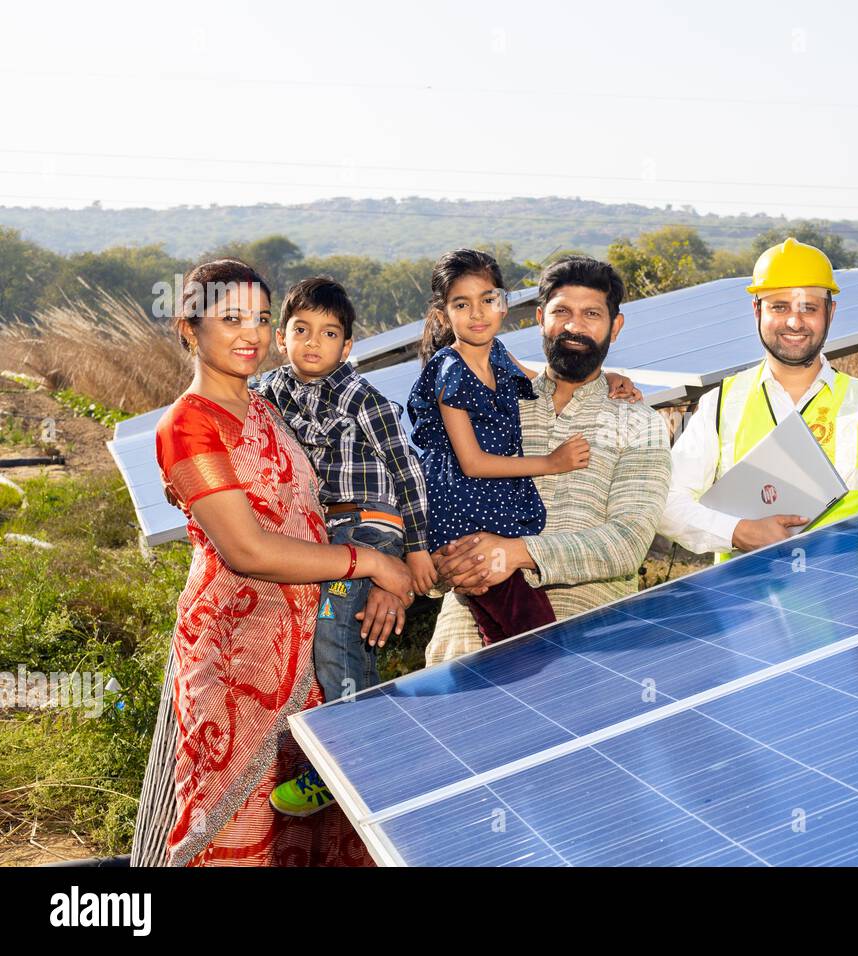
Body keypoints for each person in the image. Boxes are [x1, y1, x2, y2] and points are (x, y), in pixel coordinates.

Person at [151, 258, 414, 866]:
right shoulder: (187, 425)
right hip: (235, 655)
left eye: (263, 319)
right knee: (241, 832)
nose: (253, 333)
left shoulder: (272, 408)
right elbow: (247, 549)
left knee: (325, 833)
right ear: (189, 329)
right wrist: (369, 565)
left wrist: (389, 561)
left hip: (311, 649)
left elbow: (346, 495)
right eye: (231, 318)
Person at [425, 255, 671, 664]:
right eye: (562, 312)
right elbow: (435, 507)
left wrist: (512, 552)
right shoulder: (487, 405)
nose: (574, 326)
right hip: (460, 656)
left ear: (616, 325)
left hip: (591, 650)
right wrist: (443, 565)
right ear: (540, 318)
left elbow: (627, 542)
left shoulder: (638, 423)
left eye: (591, 313)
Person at [254, 275, 433, 817]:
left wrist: (415, 551)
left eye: (329, 333)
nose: (314, 342)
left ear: (347, 346)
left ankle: (357, 757)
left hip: (368, 525)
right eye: (301, 330)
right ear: (280, 338)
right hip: (319, 530)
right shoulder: (265, 394)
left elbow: (409, 473)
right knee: (309, 629)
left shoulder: (365, 399)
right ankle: (366, 738)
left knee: (334, 628)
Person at [658, 237, 858, 560]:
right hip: (751, 607)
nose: (795, 321)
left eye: (808, 308)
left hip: (851, 607)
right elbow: (665, 502)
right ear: (757, 310)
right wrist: (738, 531)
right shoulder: (720, 405)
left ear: (831, 312)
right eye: (779, 307)